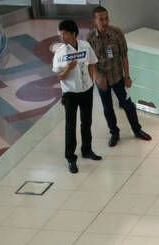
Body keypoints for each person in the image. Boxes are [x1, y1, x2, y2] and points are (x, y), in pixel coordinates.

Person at [88, 6, 151, 147]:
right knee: (107, 108)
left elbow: (124, 57)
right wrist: (97, 77)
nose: (105, 22)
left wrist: (127, 77)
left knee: (128, 105)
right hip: (102, 80)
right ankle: (114, 133)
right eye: (101, 19)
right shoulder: (90, 38)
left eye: (106, 18)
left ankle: (137, 130)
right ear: (95, 21)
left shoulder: (117, 33)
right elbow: (90, 61)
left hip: (117, 77)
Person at [53, 19, 101, 174]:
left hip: (86, 90)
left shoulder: (85, 47)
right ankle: (70, 157)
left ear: (74, 33)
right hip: (70, 93)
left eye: (66, 34)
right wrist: (68, 69)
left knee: (86, 121)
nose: (63, 37)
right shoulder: (61, 53)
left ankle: (87, 150)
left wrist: (91, 81)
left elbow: (92, 62)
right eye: (61, 34)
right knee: (70, 126)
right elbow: (59, 76)